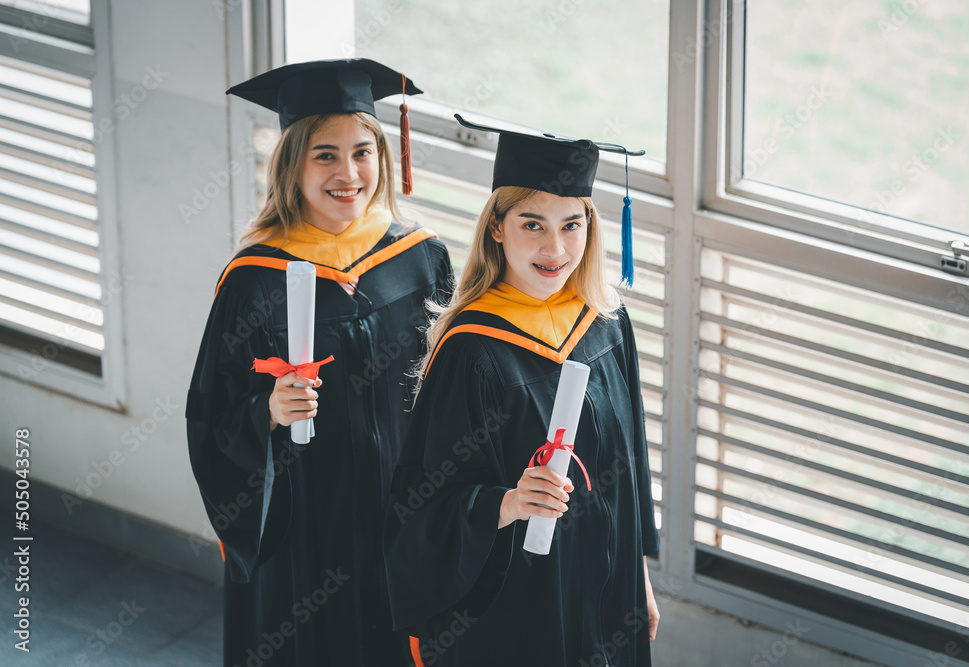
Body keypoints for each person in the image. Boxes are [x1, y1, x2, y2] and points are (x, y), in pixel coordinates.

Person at [186, 59, 453, 666]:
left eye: (362, 152)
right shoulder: (254, 281)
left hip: (400, 510)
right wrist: (268, 412)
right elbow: (211, 416)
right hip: (305, 523)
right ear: (293, 166)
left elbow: (452, 386)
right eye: (325, 155)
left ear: (384, 157)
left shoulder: (420, 259)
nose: (348, 173)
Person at [383, 114, 660, 667]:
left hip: (606, 590)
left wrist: (640, 578)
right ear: (496, 228)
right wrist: (507, 503)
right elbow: (422, 507)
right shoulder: (472, 350)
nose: (555, 248)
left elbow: (630, 466)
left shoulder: (605, 322)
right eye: (532, 224)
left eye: (571, 224)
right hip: (519, 605)